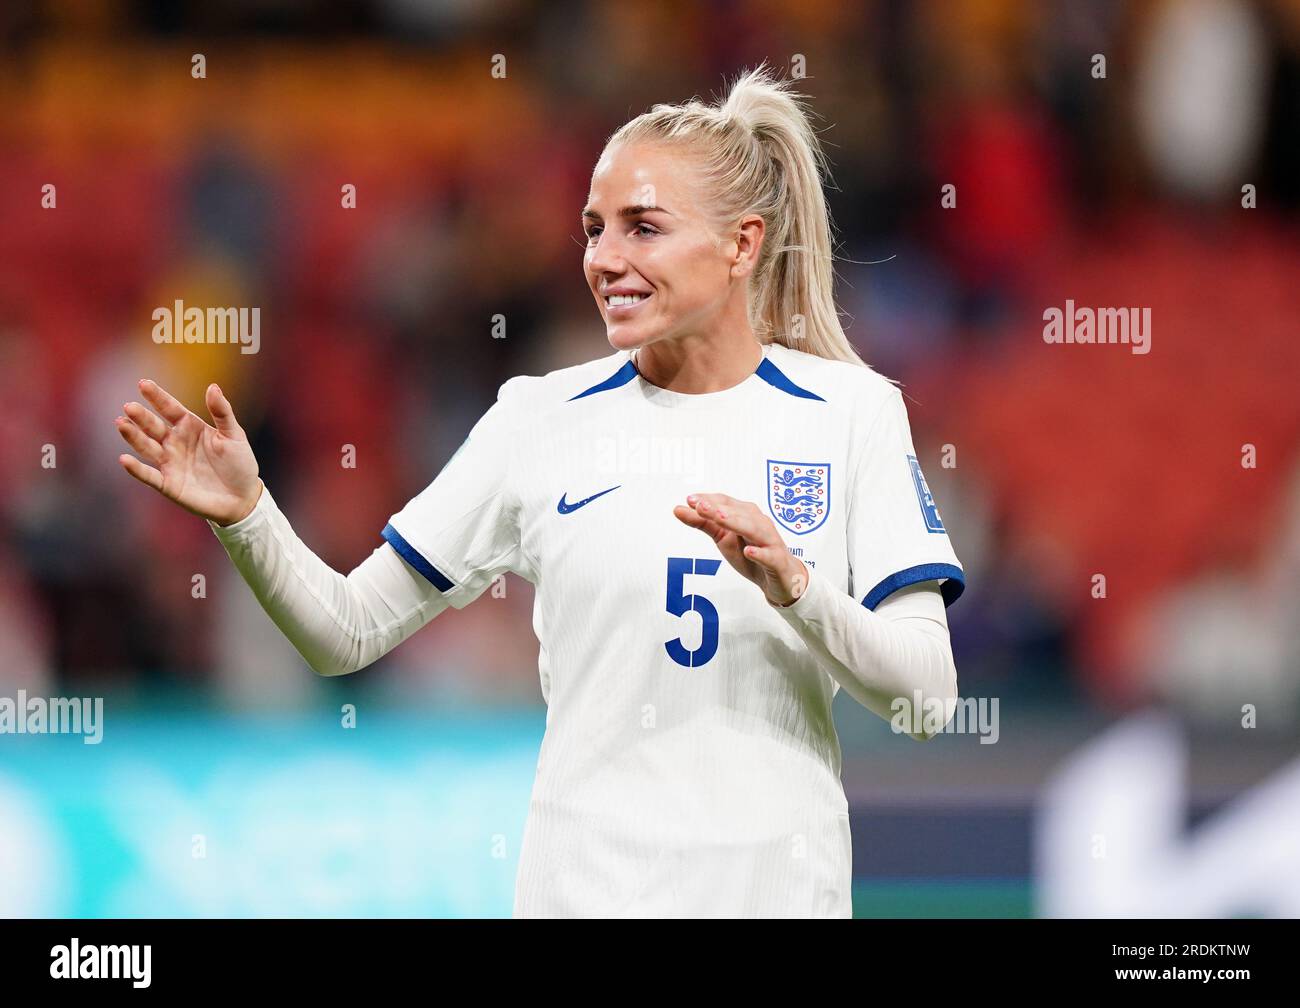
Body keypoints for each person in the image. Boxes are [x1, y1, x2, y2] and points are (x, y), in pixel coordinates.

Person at [114, 64, 965, 918]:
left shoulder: (851, 414)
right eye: (595, 230)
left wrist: (800, 590)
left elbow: (927, 700)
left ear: (742, 245)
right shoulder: (539, 419)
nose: (607, 260)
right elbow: (347, 631)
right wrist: (248, 517)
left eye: (644, 229)